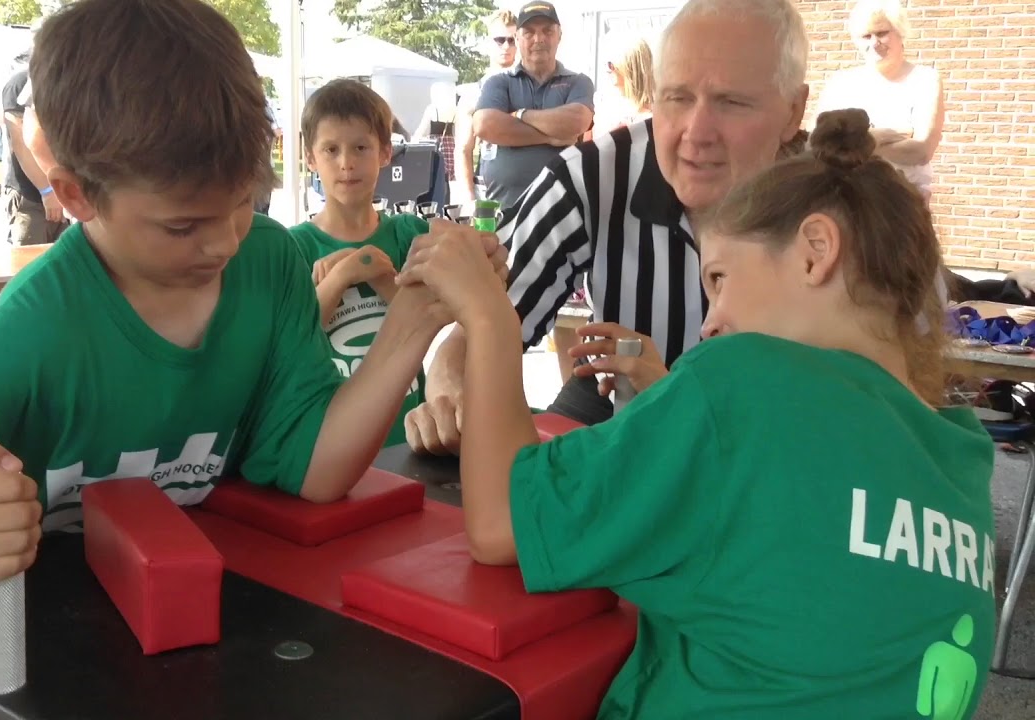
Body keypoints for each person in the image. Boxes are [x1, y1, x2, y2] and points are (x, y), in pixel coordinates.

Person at [0, 0, 504, 586]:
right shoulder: (29, 334)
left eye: (239, 203)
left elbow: (314, 470)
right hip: (41, 660)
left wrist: (410, 323)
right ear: (76, 195)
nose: (223, 241)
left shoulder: (270, 262)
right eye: (183, 224)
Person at [397, 107, 996, 720]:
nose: (710, 321)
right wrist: (665, 389)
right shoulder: (960, 454)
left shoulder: (740, 383)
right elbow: (795, 531)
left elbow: (500, 524)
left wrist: (489, 314)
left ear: (816, 251)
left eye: (718, 279)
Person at [406, 0, 810, 453]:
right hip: (621, 411)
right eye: (676, 97)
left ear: (794, 111)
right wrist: (448, 388)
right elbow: (486, 319)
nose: (697, 132)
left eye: (732, 102)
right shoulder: (591, 178)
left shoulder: (841, 209)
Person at [290, 79, 430, 448]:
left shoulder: (407, 234)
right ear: (310, 156)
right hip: (334, 436)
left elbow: (428, 321)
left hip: (408, 428)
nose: (346, 163)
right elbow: (294, 342)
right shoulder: (296, 246)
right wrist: (341, 278)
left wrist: (381, 274)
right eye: (331, 149)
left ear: (385, 153)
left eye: (360, 147)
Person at [472, 1, 594, 210]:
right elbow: (485, 125)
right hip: (505, 212)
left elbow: (577, 121)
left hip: (563, 214)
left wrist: (519, 114)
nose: (539, 39)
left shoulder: (578, 82)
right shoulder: (499, 83)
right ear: (518, 38)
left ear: (559, 35)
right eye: (529, 32)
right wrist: (551, 136)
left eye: (547, 31)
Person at [817, 0, 943, 200]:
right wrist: (879, 137)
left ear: (900, 32)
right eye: (866, 36)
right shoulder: (840, 83)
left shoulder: (924, 80)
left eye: (882, 33)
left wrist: (852, 144)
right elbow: (817, 144)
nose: (874, 43)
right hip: (845, 198)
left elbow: (921, 151)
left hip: (903, 200)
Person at [456, 9, 517, 203]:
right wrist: (468, 200)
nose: (506, 46)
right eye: (500, 40)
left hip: (526, 189)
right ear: (489, 43)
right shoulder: (474, 93)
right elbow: (463, 150)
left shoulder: (531, 88)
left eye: (512, 39)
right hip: (487, 190)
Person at [1, 65, 67, 245]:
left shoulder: (69, 82)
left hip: (66, 195)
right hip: (30, 197)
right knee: (29, 262)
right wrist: (47, 191)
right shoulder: (20, 83)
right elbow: (21, 145)